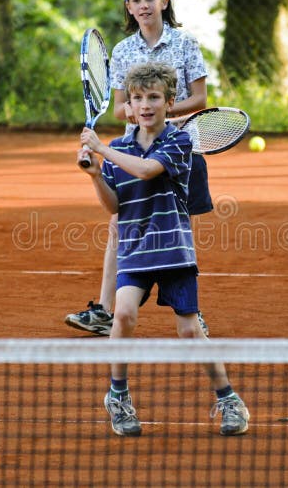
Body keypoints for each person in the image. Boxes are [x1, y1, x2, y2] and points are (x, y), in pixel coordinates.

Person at [77, 62, 249, 437]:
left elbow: (147, 171)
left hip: (173, 251)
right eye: (137, 98)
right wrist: (95, 175)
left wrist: (101, 149)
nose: (145, 105)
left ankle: (228, 398)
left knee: (189, 332)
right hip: (135, 250)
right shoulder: (120, 147)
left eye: (154, 97)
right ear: (129, 108)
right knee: (122, 315)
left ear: (169, 103)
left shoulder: (178, 142)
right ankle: (118, 396)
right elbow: (113, 206)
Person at [65, 0, 213, 337]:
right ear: (129, 9)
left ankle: (192, 312)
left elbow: (200, 99)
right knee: (119, 224)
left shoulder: (185, 44)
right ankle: (104, 310)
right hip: (135, 150)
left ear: (164, 2)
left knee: (178, 228)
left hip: (177, 148)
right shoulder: (123, 51)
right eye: (136, 1)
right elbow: (118, 108)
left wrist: (161, 113)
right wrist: (135, 112)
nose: (143, 5)